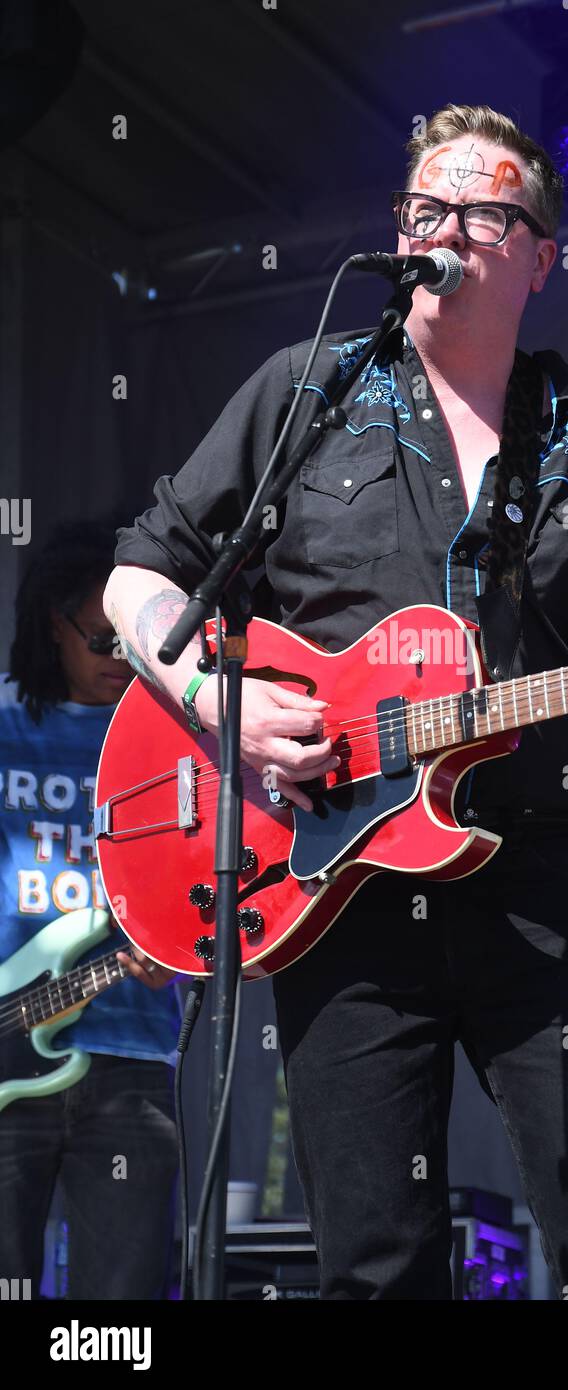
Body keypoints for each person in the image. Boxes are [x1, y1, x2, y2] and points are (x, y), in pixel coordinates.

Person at [104, 104, 568, 1300]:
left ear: (539, 254)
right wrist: (217, 702)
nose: (445, 228)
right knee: (377, 1269)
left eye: (483, 210)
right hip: (336, 876)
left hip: (542, 879)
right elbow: (138, 574)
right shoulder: (308, 390)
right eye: (425, 207)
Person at [0, 519, 182, 1300]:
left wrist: (181, 940)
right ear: (53, 623)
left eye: (131, 645)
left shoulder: (176, 742)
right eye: (102, 640)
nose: (120, 661)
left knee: (122, 1313)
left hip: (132, 1054)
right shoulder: (7, 726)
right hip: (8, 1049)